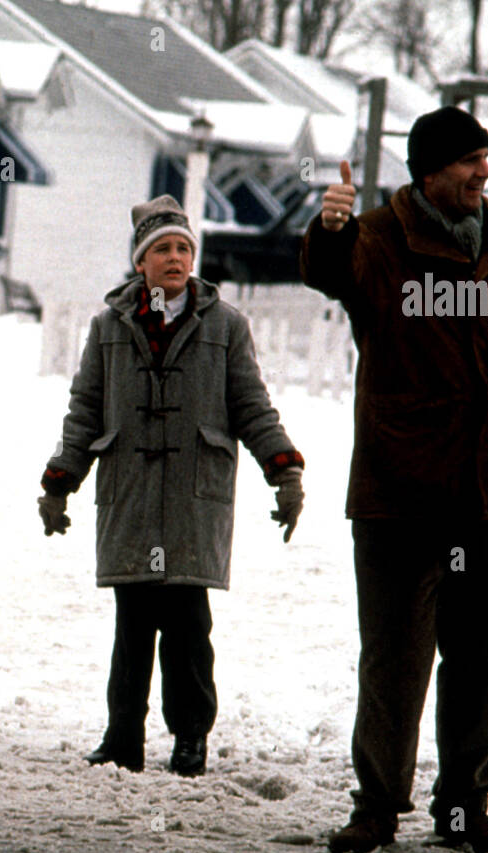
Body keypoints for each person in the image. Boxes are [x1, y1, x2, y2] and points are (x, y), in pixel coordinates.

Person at [300, 106, 488, 853]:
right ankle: (378, 807)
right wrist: (330, 228)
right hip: (401, 487)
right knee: (394, 657)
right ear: (428, 173)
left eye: (486, 159)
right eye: (468, 162)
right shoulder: (380, 241)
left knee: (483, 656)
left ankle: (464, 809)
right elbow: (332, 276)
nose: (484, 173)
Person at [38, 195, 304, 777]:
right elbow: (84, 410)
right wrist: (59, 483)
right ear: (141, 263)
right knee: (132, 628)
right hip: (132, 495)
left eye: (184, 248)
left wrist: (284, 470)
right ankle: (122, 738)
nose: (176, 258)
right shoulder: (109, 327)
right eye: (163, 249)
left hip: (192, 500)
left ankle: (190, 740)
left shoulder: (226, 325)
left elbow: (251, 405)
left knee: (188, 629)